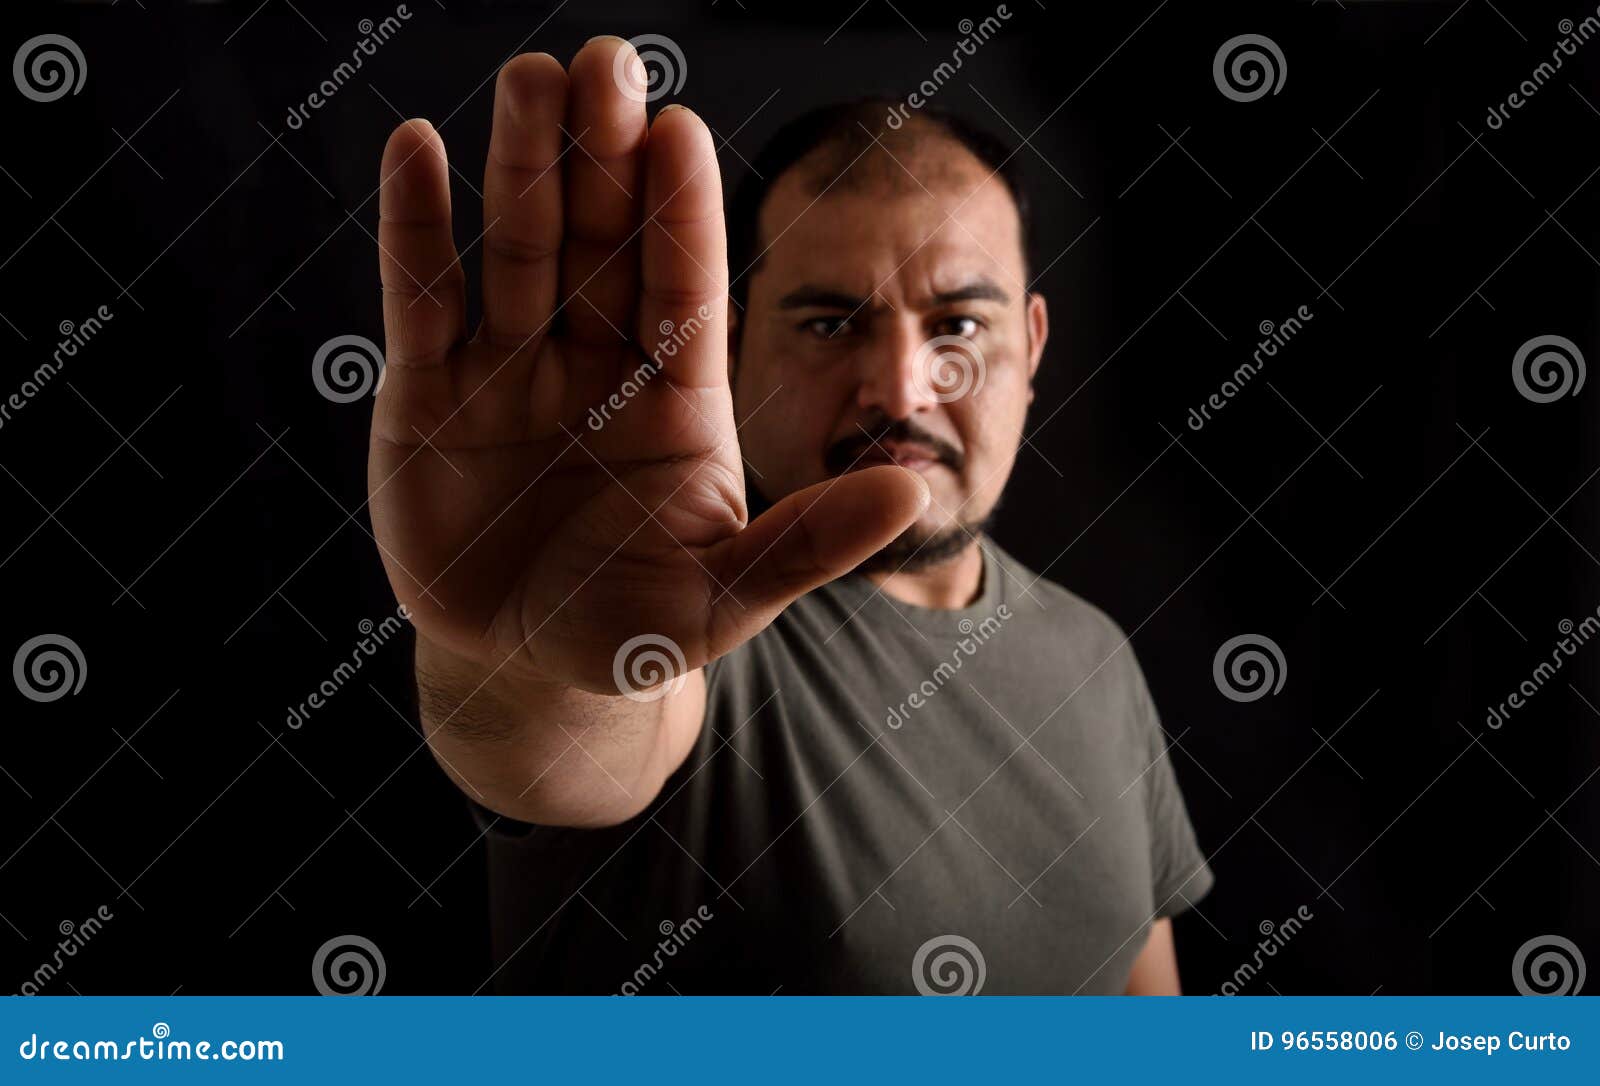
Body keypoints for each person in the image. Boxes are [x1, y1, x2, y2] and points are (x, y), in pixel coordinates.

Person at [367, 36, 1213, 994]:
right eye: (827, 324)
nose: (899, 389)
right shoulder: (682, 634)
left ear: (1031, 345)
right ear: (730, 347)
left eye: (959, 327)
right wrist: (520, 665)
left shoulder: (1096, 659)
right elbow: (562, 743)